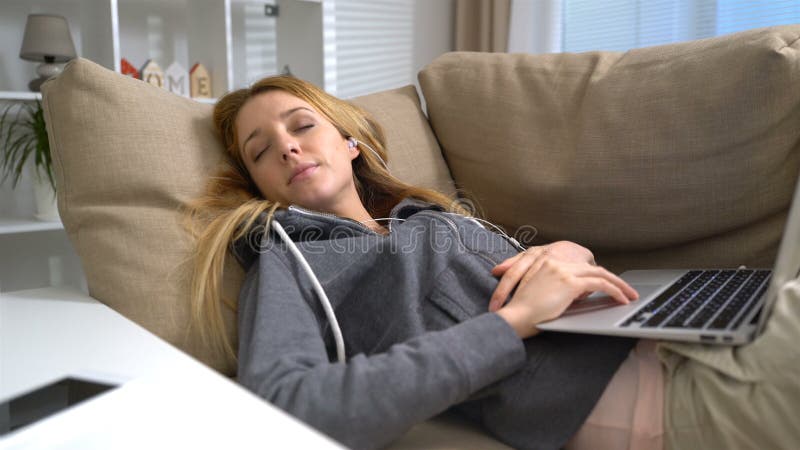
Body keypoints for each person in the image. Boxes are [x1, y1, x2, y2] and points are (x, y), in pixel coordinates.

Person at [183, 75, 797, 450]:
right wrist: (512, 324)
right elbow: (287, 405)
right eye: (261, 151)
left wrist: (565, 252)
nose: (288, 148)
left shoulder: (422, 217)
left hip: (678, 338)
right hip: (658, 398)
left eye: (302, 126)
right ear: (258, 184)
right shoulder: (287, 264)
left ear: (351, 143)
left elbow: (538, 277)